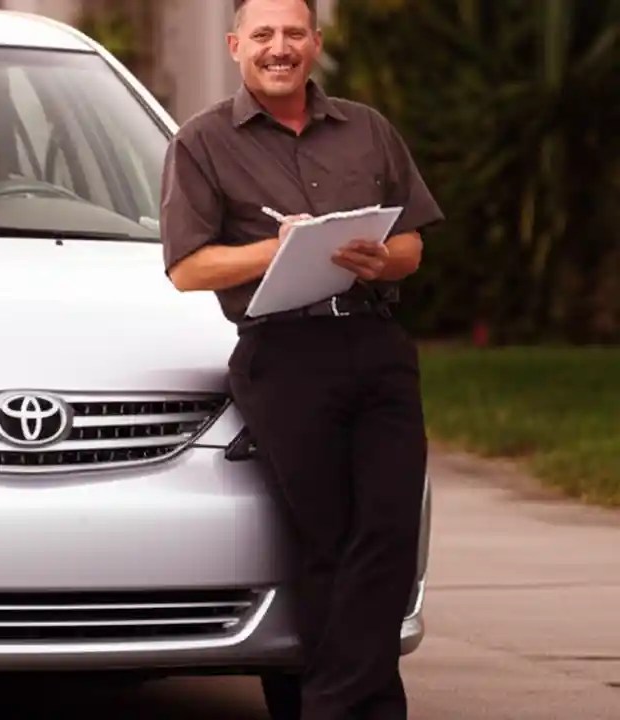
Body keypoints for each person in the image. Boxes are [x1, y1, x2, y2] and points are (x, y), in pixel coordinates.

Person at [160, 0, 444, 718]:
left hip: (375, 344)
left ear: (316, 43)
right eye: (263, 35)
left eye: (293, 34)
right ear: (235, 46)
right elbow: (189, 268)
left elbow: (412, 245)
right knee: (324, 541)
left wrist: (379, 258)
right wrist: (285, 248)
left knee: (386, 532)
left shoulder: (367, 130)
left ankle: (326, 705)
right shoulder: (201, 143)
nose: (278, 48)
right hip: (283, 355)